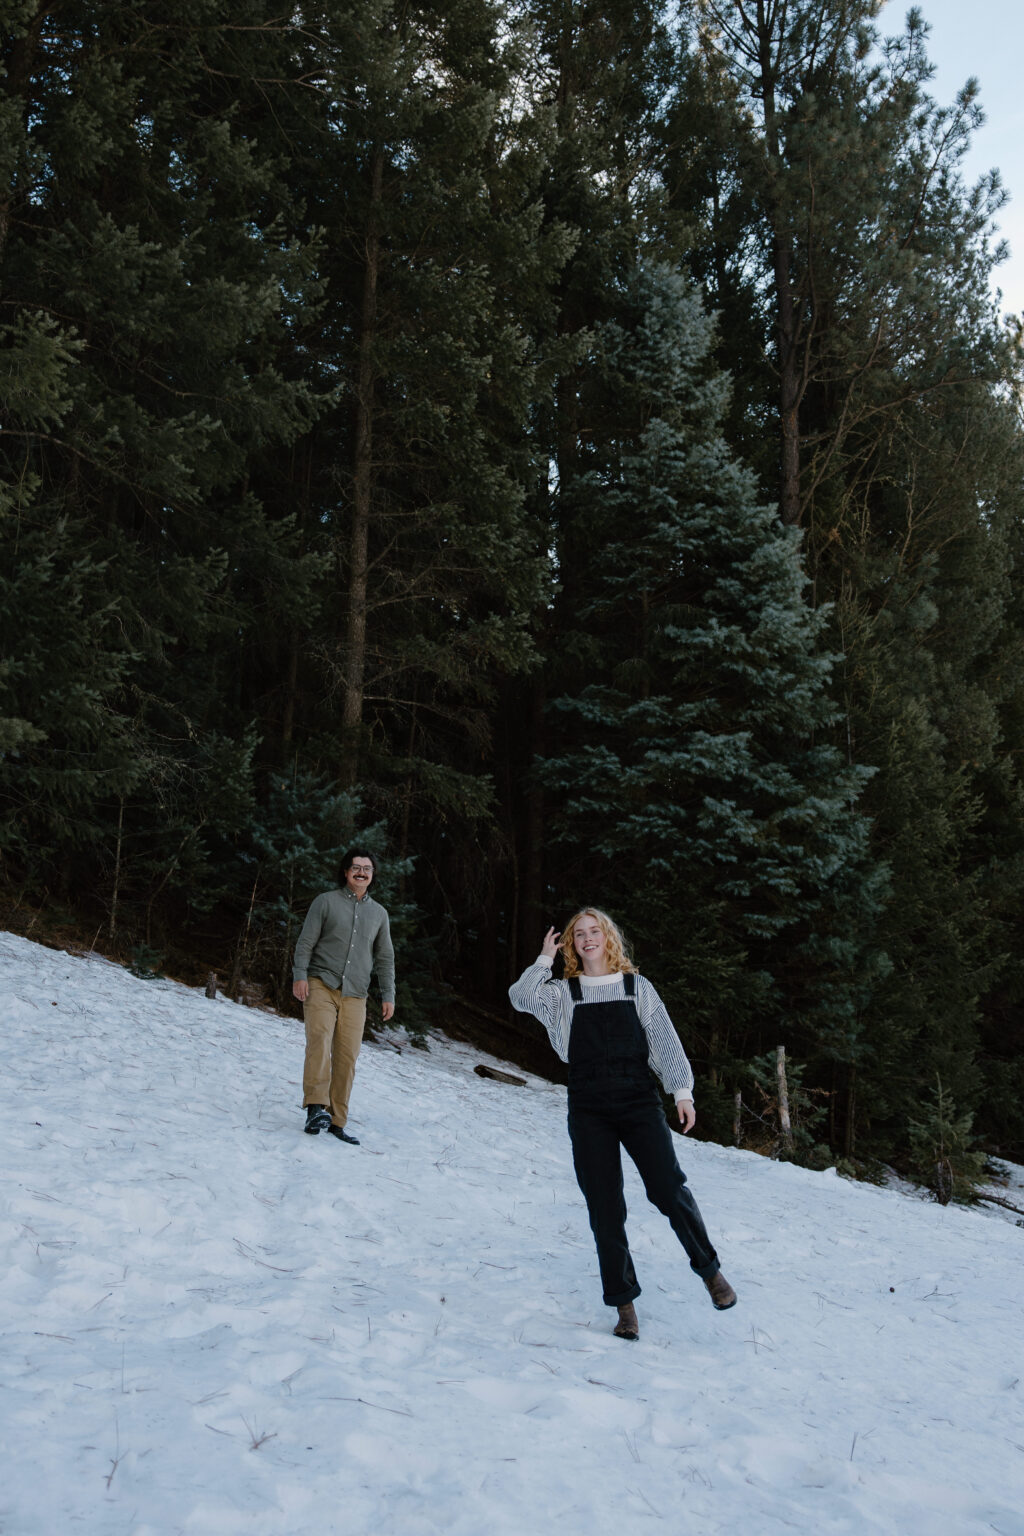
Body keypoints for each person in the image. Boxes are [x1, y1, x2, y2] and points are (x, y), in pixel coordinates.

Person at [509, 909, 736, 1340]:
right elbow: (520, 997)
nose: (588, 938)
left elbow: (664, 1038)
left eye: (595, 931)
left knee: (668, 1188)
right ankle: (624, 1304)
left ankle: (710, 1272)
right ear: (572, 945)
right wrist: (543, 959)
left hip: (638, 1102)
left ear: (608, 937)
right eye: (579, 934)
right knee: (605, 1206)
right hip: (588, 1107)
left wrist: (681, 1091)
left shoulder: (637, 987)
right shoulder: (563, 993)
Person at [292, 848, 395, 1145]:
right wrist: (300, 975)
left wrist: (388, 994)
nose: (361, 873)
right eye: (356, 867)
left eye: (367, 869)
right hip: (321, 983)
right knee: (320, 1039)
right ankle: (315, 1108)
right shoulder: (325, 902)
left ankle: (336, 1121)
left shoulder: (379, 914)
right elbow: (306, 942)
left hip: (356, 994)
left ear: (372, 875)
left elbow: (385, 957)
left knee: (348, 1056)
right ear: (346, 872)